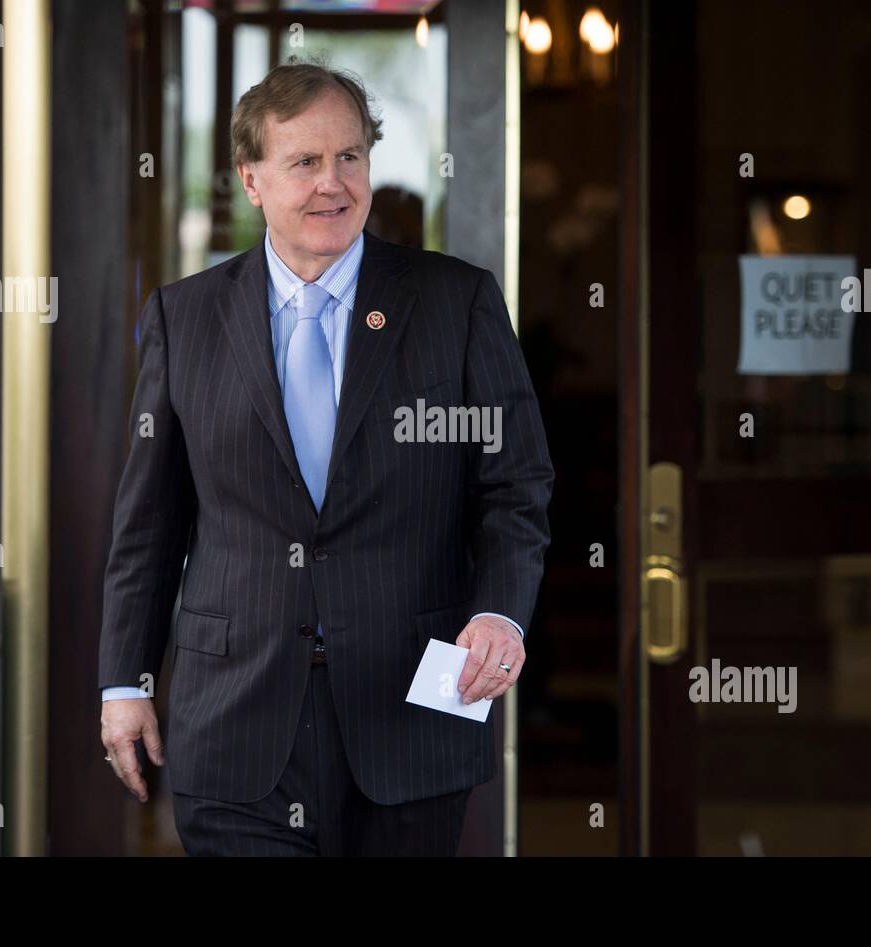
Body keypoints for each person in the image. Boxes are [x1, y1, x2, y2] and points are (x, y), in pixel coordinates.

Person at [98, 58, 553, 856]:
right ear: (251, 179)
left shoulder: (456, 302)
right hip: (236, 720)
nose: (331, 183)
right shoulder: (185, 317)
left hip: (410, 715)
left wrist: (500, 610)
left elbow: (514, 486)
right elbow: (150, 526)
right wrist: (124, 680)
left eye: (349, 157)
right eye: (304, 161)